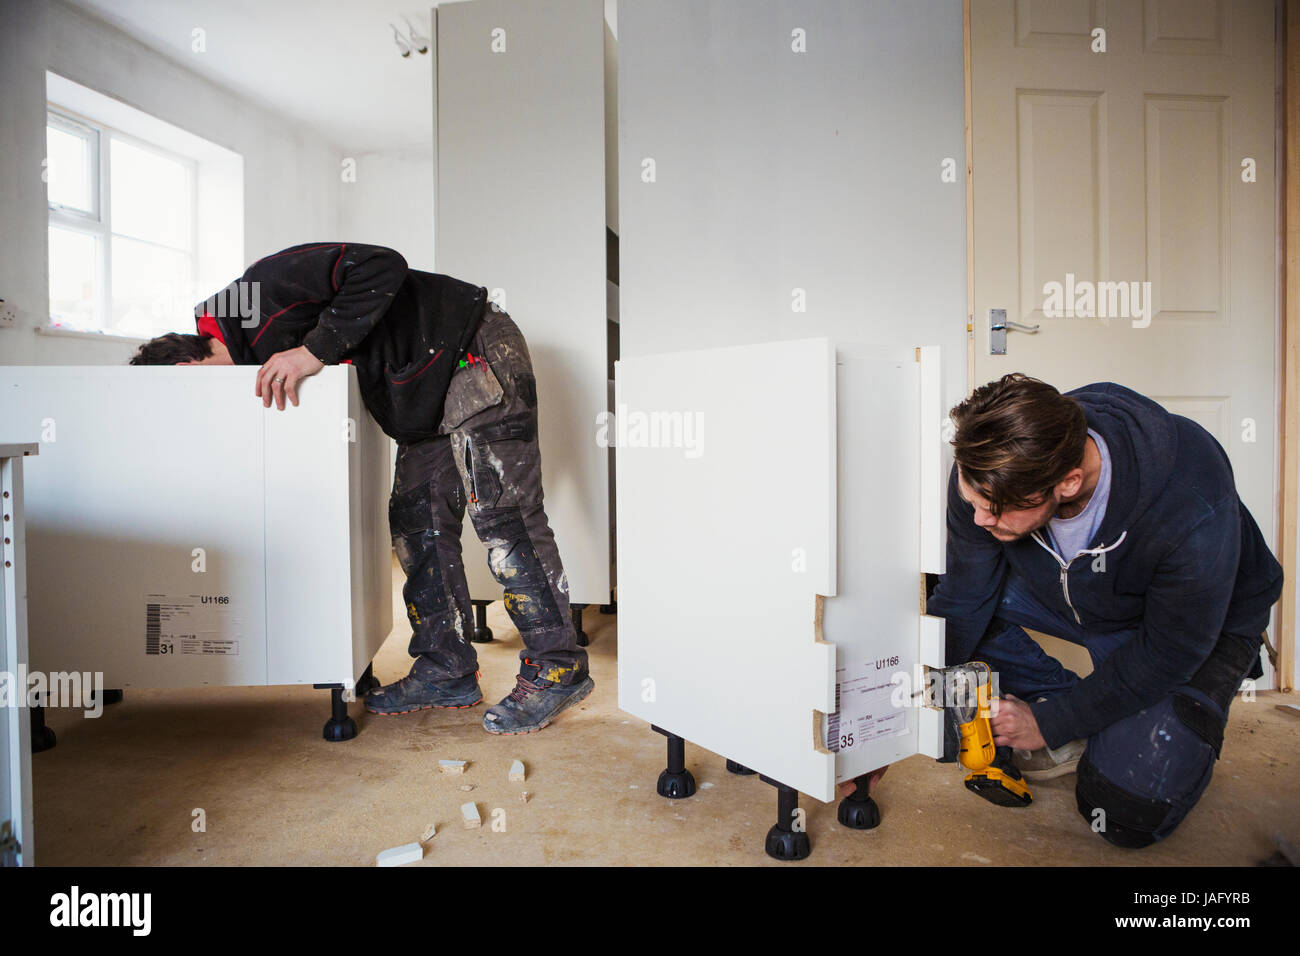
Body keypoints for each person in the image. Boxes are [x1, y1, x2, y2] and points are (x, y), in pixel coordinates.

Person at [131, 242, 593, 734]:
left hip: (469, 349)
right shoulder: (253, 353)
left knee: (505, 516)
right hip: (424, 392)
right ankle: (446, 668)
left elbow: (381, 264)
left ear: (184, 372)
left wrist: (311, 353)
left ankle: (557, 667)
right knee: (417, 525)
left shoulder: (255, 293)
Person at [924, 373, 1282, 847]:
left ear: (1069, 482)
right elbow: (965, 595)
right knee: (943, 599)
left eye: (994, 509)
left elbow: (1169, 653)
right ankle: (1077, 703)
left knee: (1122, 814)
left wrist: (1047, 724)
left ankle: (1107, 713)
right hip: (1083, 598)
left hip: (1193, 630)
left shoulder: (1189, 495)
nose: (978, 519)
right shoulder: (991, 465)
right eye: (972, 500)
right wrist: (899, 716)